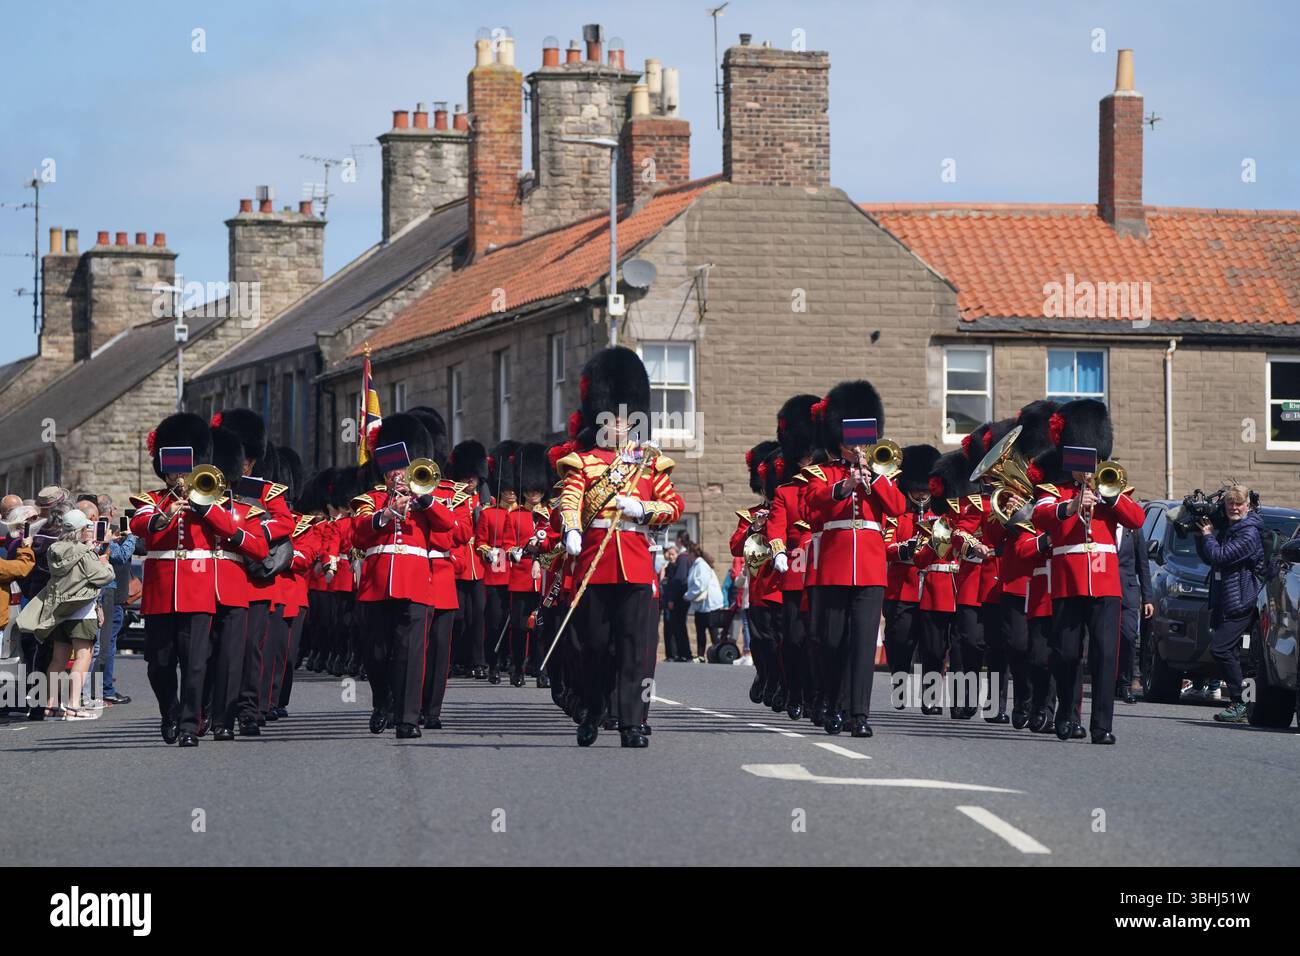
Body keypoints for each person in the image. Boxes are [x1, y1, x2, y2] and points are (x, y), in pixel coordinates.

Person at [556, 346, 684, 748]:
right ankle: (593, 711)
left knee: (635, 646)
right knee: (595, 646)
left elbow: (673, 506)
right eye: (612, 420)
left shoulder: (650, 466)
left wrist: (642, 508)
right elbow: (570, 498)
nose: (620, 427)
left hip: (634, 563)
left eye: (626, 421)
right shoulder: (585, 462)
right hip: (595, 561)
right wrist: (572, 529)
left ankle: (631, 722)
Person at [17, 509, 113, 720]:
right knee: (83, 656)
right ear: (80, 530)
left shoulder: (54, 549)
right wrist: (104, 561)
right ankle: (73, 705)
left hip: (59, 611)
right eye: (86, 527)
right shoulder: (85, 553)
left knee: (58, 658)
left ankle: (50, 706)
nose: (89, 530)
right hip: (81, 610)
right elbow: (103, 576)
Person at [1195, 485, 1265, 723]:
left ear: (1248, 505)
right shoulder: (1232, 528)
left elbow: (1220, 556)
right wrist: (1200, 534)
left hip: (1242, 600)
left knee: (1221, 648)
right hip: (1227, 598)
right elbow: (1208, 556)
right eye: (1230, 504)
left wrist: (1208, 536)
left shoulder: (1249, 533)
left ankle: (1241, 702)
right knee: (1236, 655)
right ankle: (1244, 704)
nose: (1234, 508)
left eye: (1239, 504)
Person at [1115, 518, 1153, 704]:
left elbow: (1143, 564)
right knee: (1107, 639)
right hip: (1105, 589)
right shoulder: (1100, 523)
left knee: (1129, 636)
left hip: (1128, 590)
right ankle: (1110, 682)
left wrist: (1148, 598)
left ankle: (1125, 684)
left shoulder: (1134, 528)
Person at [683, 543, 723, 660]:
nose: (687, 555)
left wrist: (687, 596)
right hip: (701, 606)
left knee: (713, 631)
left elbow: (701, 585)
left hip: (709, 604)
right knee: (700, 630)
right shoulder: (695, 565)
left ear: (692, 553)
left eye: (688, 553)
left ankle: (717, 654)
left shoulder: (701, 565)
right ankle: (701, 655)